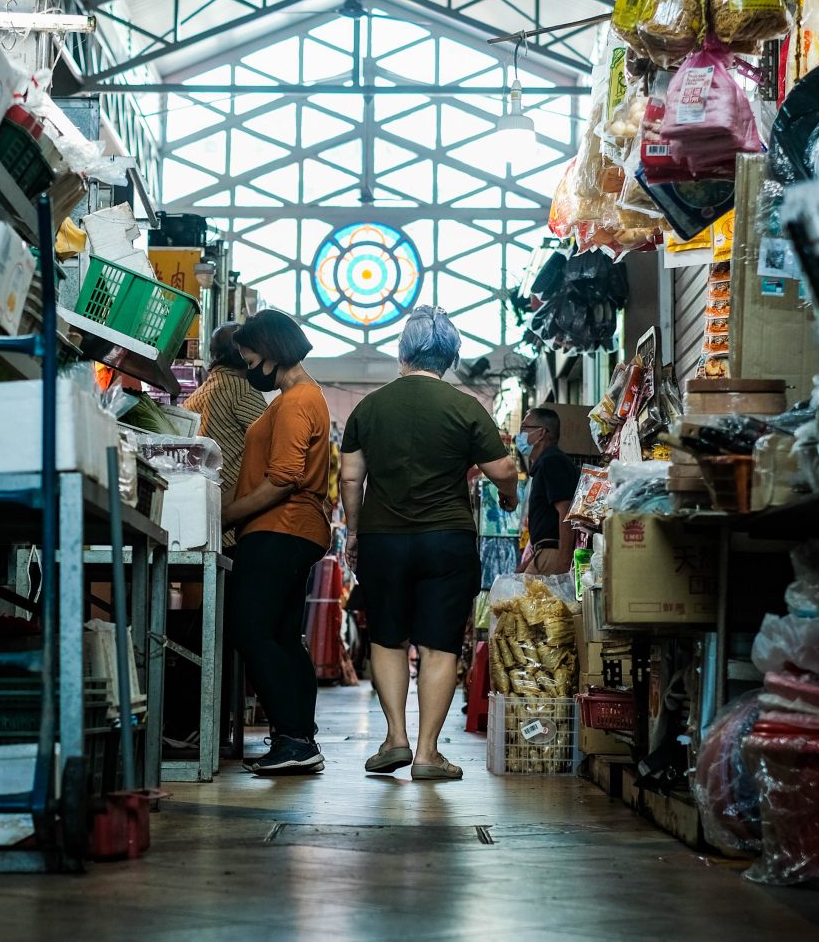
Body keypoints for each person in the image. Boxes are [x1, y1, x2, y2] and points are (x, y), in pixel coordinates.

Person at [339, 306, 519, 782]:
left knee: (388, 638)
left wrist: (355, 531)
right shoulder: (465, 407)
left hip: (383, 540)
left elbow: (350, 477)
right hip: (446, 540)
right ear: (451, 358)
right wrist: (509, 493)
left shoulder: (368, 408)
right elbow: (503, 469)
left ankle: (395, 738)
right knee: (438, 645)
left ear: (402, 354)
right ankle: (427, 753)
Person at [224, 309, 332, 776]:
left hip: (278, 527)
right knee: (284, 637)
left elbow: (283, 478)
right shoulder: (306, 396)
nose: (249, 369)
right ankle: (299, 738)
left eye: (250, 360)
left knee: (251, 631)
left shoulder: (294, 401)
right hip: (294, 530)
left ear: (271, 352)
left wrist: (225, 514)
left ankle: (292, 737)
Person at [183, 323, 266, 552]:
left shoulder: (195, 396)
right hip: (233, 521)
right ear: (246, 353)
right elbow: (275, 443)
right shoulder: (241, 390)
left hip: (202, 516)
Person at [518, 407, 578, 577]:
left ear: (541, 433)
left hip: (553, 555)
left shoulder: (552, 461)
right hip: (543, 553)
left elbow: (566, 512)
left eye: (524, 428)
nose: (520, 435)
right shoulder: (545, 463)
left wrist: (563, 563)